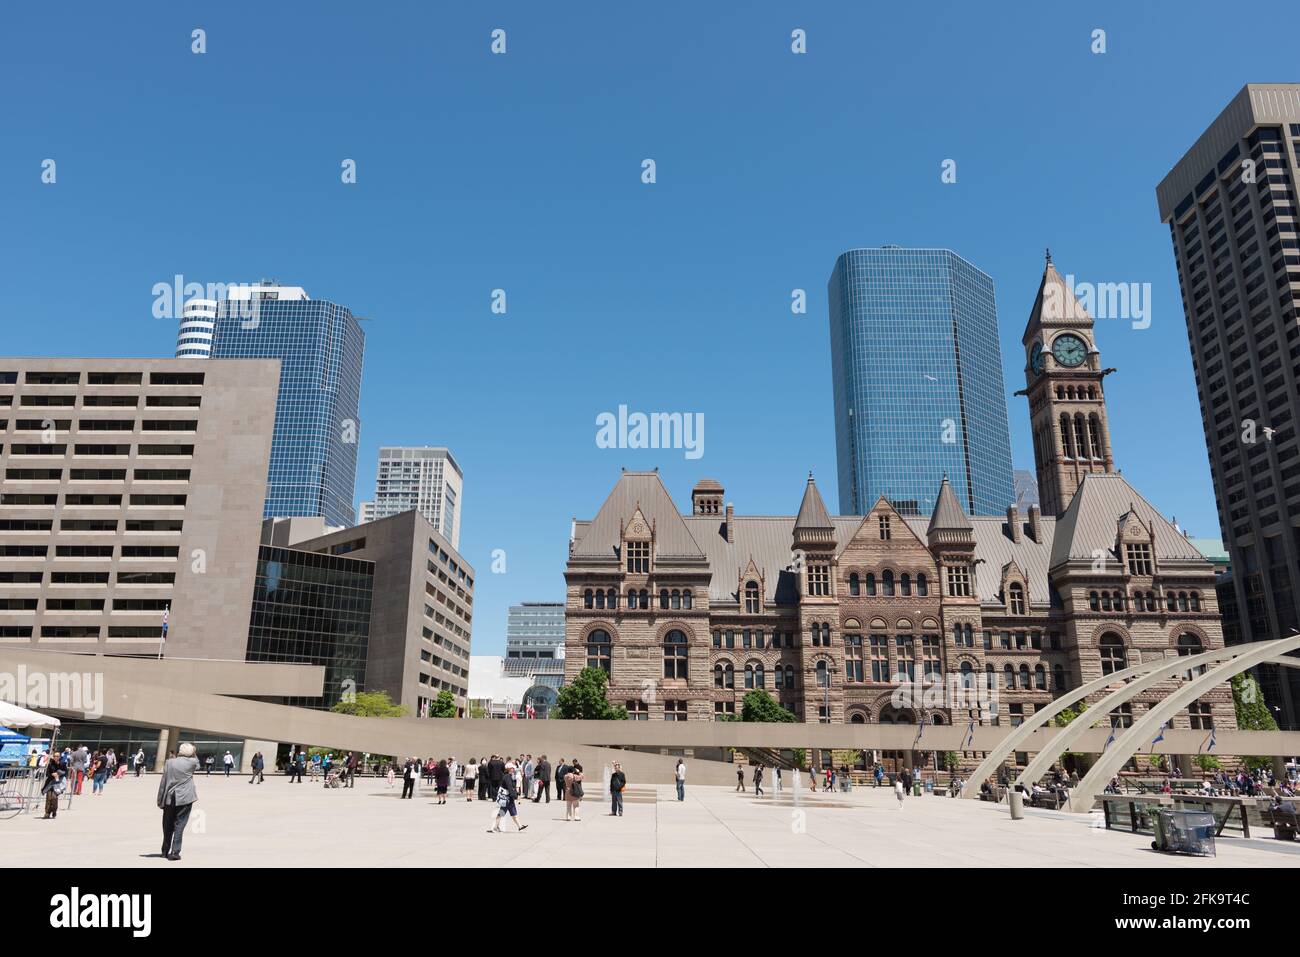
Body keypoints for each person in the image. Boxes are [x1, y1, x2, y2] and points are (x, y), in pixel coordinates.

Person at [157, 742, 200, 861]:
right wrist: (194, 753)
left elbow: (164, 781)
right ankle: (175, 852)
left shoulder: (169, 762)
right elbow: (198, 765)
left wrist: (160, 798)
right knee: (180, 824)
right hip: (185, 797)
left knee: (167, 824)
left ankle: (164, 850)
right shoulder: (192, 763)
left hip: (170, 797)